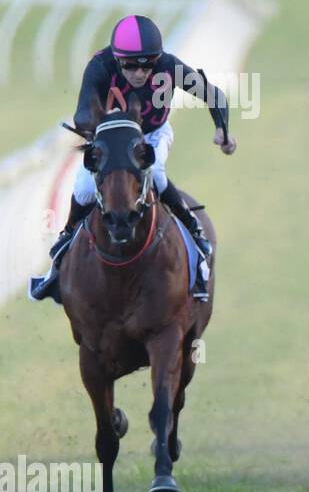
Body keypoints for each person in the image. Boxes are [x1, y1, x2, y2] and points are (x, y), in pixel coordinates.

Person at [31, 15, 234, 302]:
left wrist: (222, 131)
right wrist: (106, 122)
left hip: (151, 135)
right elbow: (81, 114)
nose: (140, 73)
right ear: (117, 59)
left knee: (158, 175)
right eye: (130, 65)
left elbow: (212, 93)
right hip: (112, 136)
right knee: (84, 188)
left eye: (147, 63)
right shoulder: (100, 65)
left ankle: (194, 230)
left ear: (158, 58)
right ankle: (64, 247)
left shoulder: (169, 65)